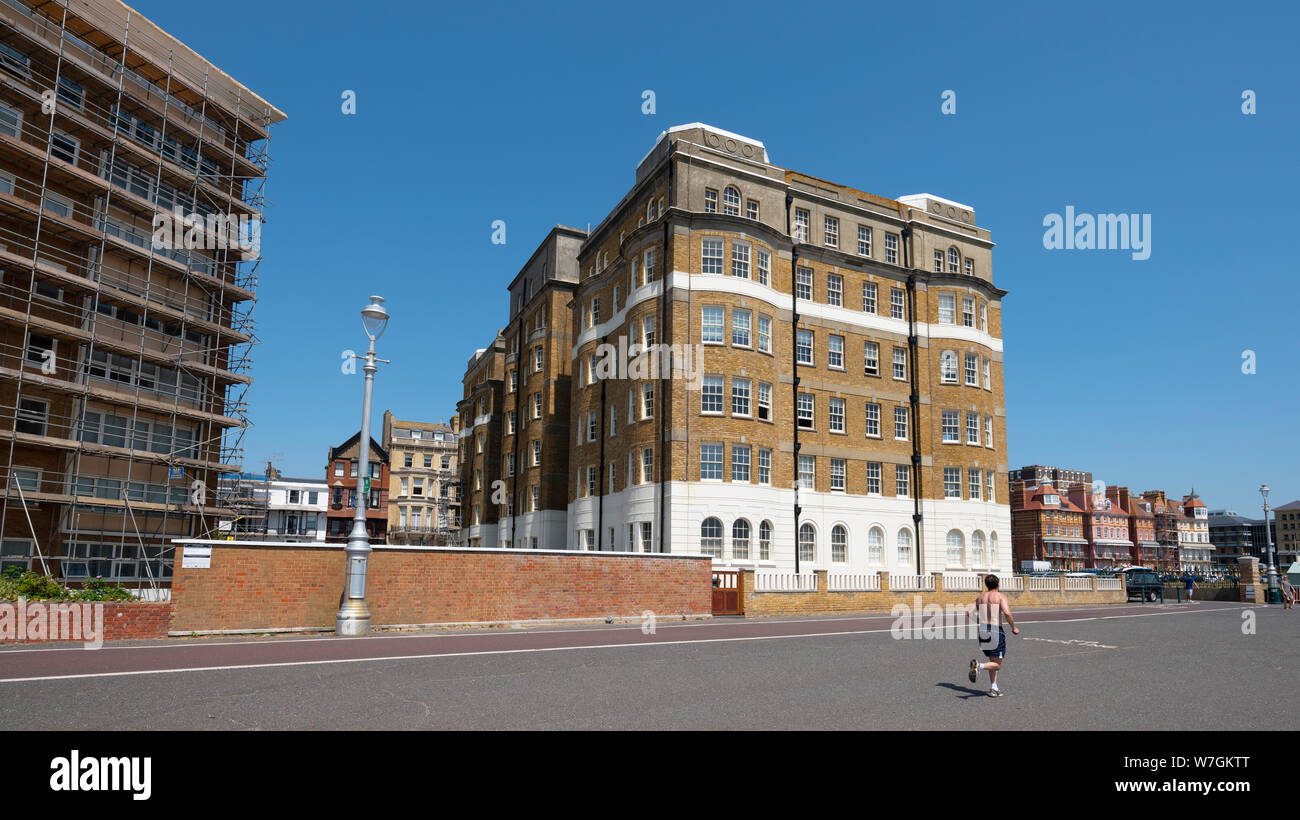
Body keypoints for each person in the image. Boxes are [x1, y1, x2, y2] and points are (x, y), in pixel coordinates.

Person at [967, 574, 1019, 697]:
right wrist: (1014, 627)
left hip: (983, 630)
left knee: (992, 660)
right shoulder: (1000, 596)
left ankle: (993, 688)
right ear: (998, 584)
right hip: (996, 630)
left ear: (986, 584)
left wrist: (980, 622)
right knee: (998, 665)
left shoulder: (980, 597)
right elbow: (1006, 612)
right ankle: (978, 666)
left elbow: (969, 613)